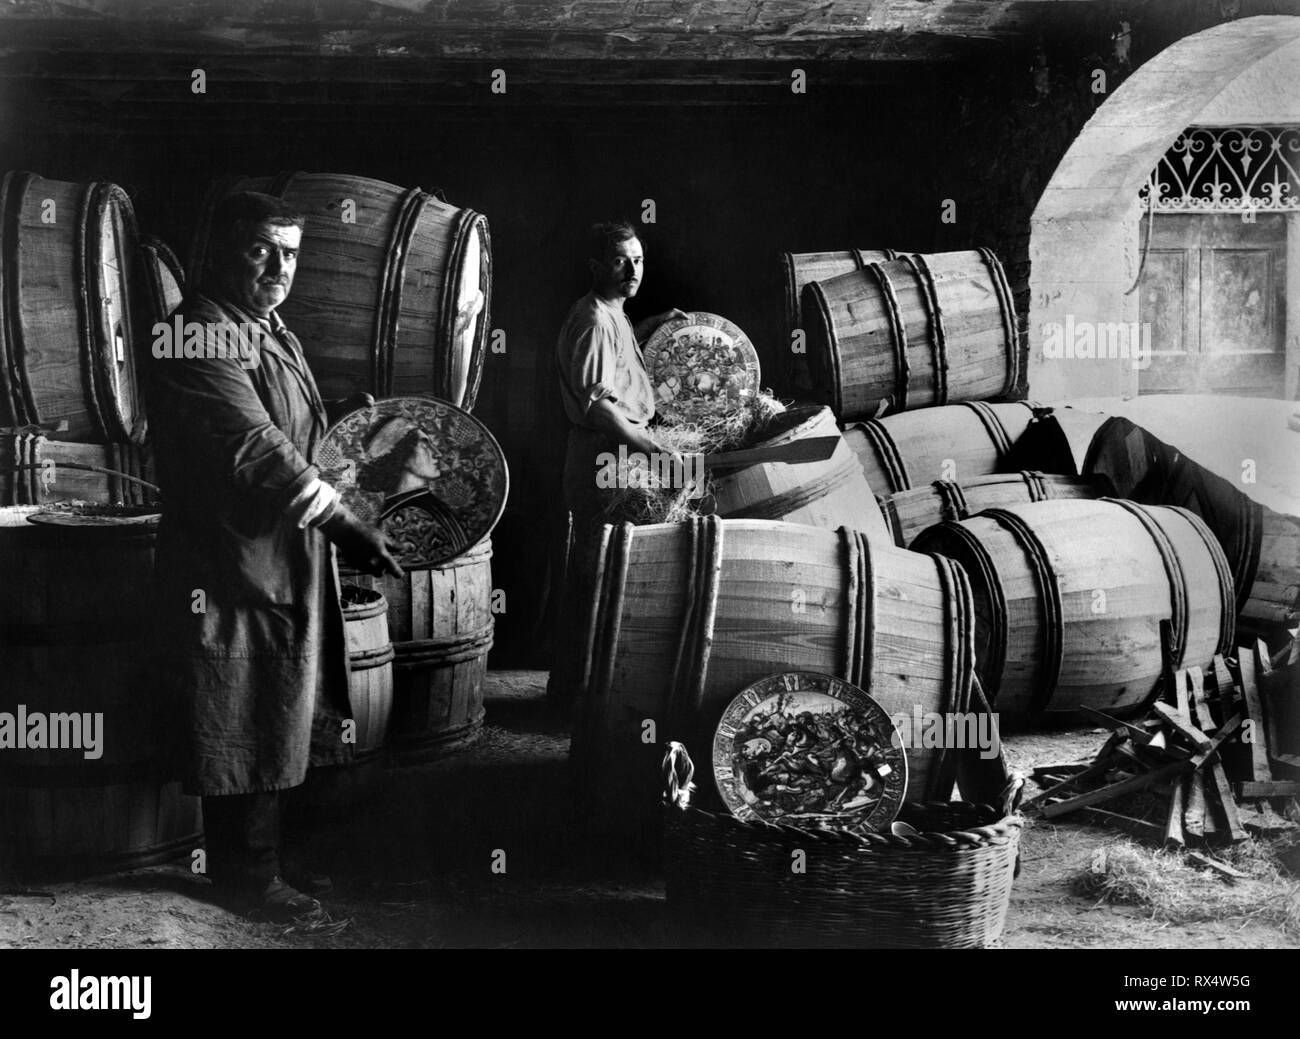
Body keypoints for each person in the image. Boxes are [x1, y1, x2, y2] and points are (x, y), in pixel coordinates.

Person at [146, 191, 404, 923]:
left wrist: (351, 413)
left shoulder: (266, 330)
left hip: (277, 548)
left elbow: (290, 422)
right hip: (228, 557)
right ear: (224, 249)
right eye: (263, 249)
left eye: (292, 252)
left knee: (280, 695)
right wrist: (346, 524)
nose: (280, 266)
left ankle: (272, 859)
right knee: (242, 699)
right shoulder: (197, 333)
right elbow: (257, 447)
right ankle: (246, 878)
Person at [548, 220, 685, 704]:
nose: (633, 269)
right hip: (603, 457)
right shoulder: (592, 319)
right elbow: (601, 408)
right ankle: (575, 697)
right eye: (620, 260)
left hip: (618, 454)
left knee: (608, 572)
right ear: (595, 266)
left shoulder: (612, 313)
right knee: (597, 574)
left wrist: (649, 326)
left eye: (639, 260)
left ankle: (585, 692)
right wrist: (655, 452)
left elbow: (615, 364)